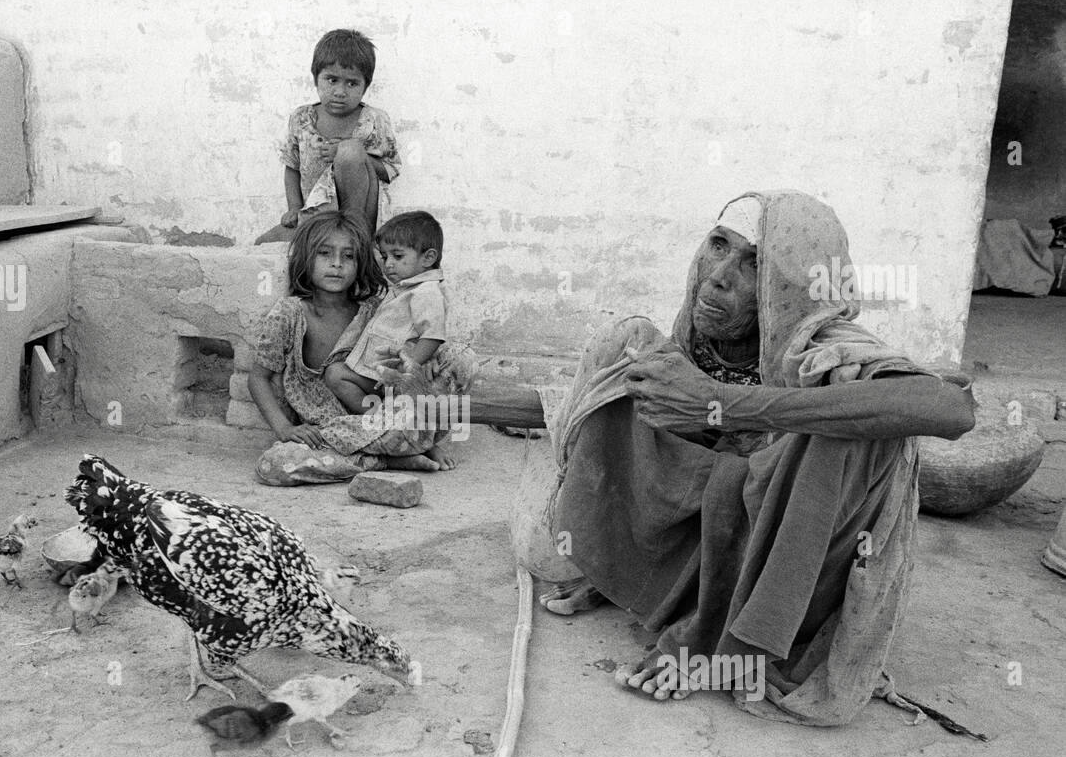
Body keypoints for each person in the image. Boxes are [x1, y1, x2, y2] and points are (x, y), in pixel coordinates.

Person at [386, 190, 975, 725]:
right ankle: (629, 574)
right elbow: (568, 408)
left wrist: (730, 405)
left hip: (784, 551)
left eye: (754, 265)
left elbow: (949, 409)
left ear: (793, 285)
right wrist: (436, 407)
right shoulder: (692, 340)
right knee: (631, 353)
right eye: (718, 247)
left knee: (839, 427)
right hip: (718, 525)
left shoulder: (820, 345)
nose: (717, 278)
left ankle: (737, 645)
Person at [247, 211, 475, 486]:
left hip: (381, 418)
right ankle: (394, 458)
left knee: (461, 358)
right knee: (276, 464)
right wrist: (284, 428)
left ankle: (412, 442)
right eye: (324, 253)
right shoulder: (290, 314)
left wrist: (422, 362)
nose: (336, 264)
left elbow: (411, 346)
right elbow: (258, 377)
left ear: (361, 263)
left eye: (348, 256)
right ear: (305, 258)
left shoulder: (372, 310)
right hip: (331, 432)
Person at [324, 211, 457, 470]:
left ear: (428, 258)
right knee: (335, 375)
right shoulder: (403, 288)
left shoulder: (426, 292)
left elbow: (433, 333)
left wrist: (411, 370)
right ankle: (386, 429)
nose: (388, 264)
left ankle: (424, 444)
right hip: (379, 373)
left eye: (398, 256)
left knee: (336, 376)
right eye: (385, 257)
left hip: (397, 376)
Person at [255, 29, 401, 245]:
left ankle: (354, 240)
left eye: (352, 83)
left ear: (366, 86)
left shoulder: (373, 120)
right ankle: (323, 238)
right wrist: (294, 208)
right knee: (264, 244)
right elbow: (292, 168)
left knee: (350, 151)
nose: (340, 91)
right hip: (315, 217)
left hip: (360, 220)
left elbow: (391, 170)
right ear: (316, 79)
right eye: (332, 80)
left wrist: (347, 154)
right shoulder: (301, 119)